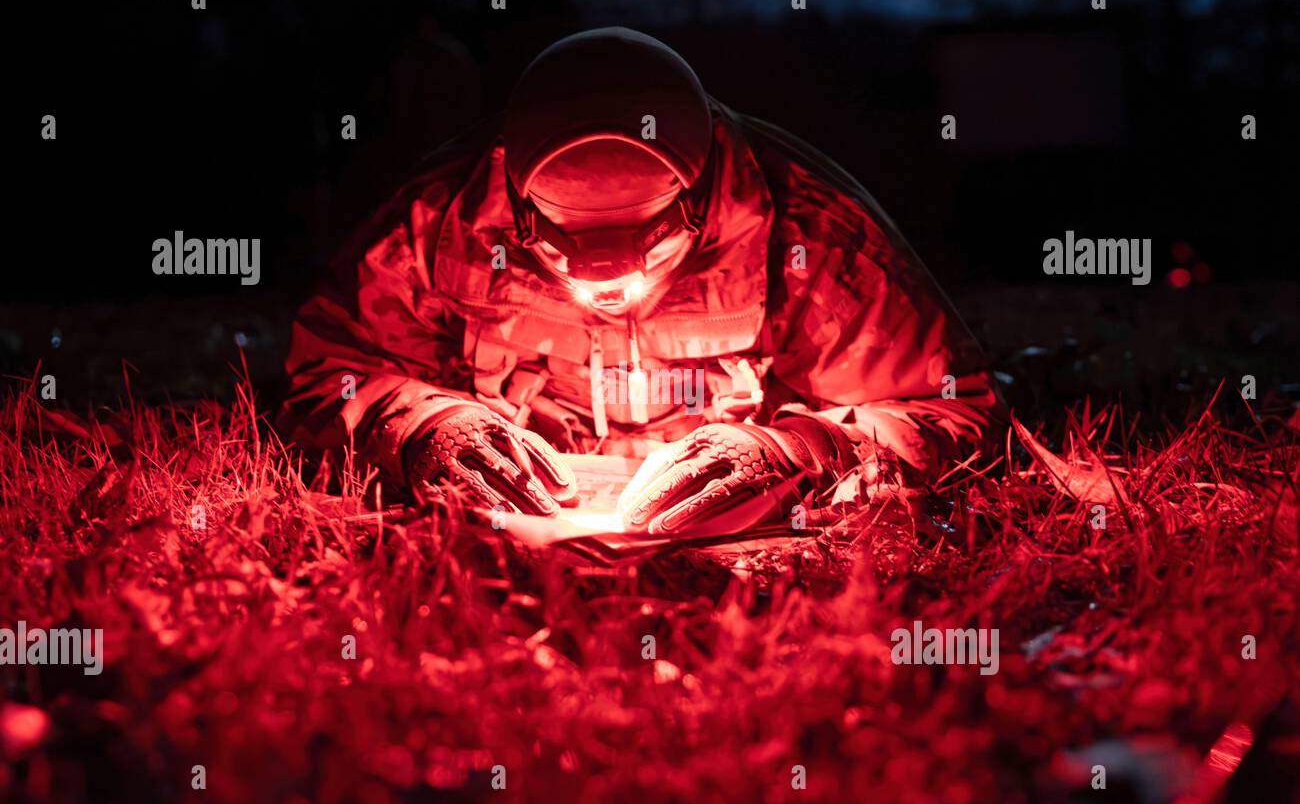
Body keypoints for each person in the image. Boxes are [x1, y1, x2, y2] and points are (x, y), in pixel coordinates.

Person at [283, 28, 1002, 535]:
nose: (605, 278)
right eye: (562, 243)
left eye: (644, 242)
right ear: (516, 195)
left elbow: (961, 414)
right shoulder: (440, 220)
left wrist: (794, 452)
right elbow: (327, 371)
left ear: (700, 198)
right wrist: (422, 426)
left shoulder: (810, 234)